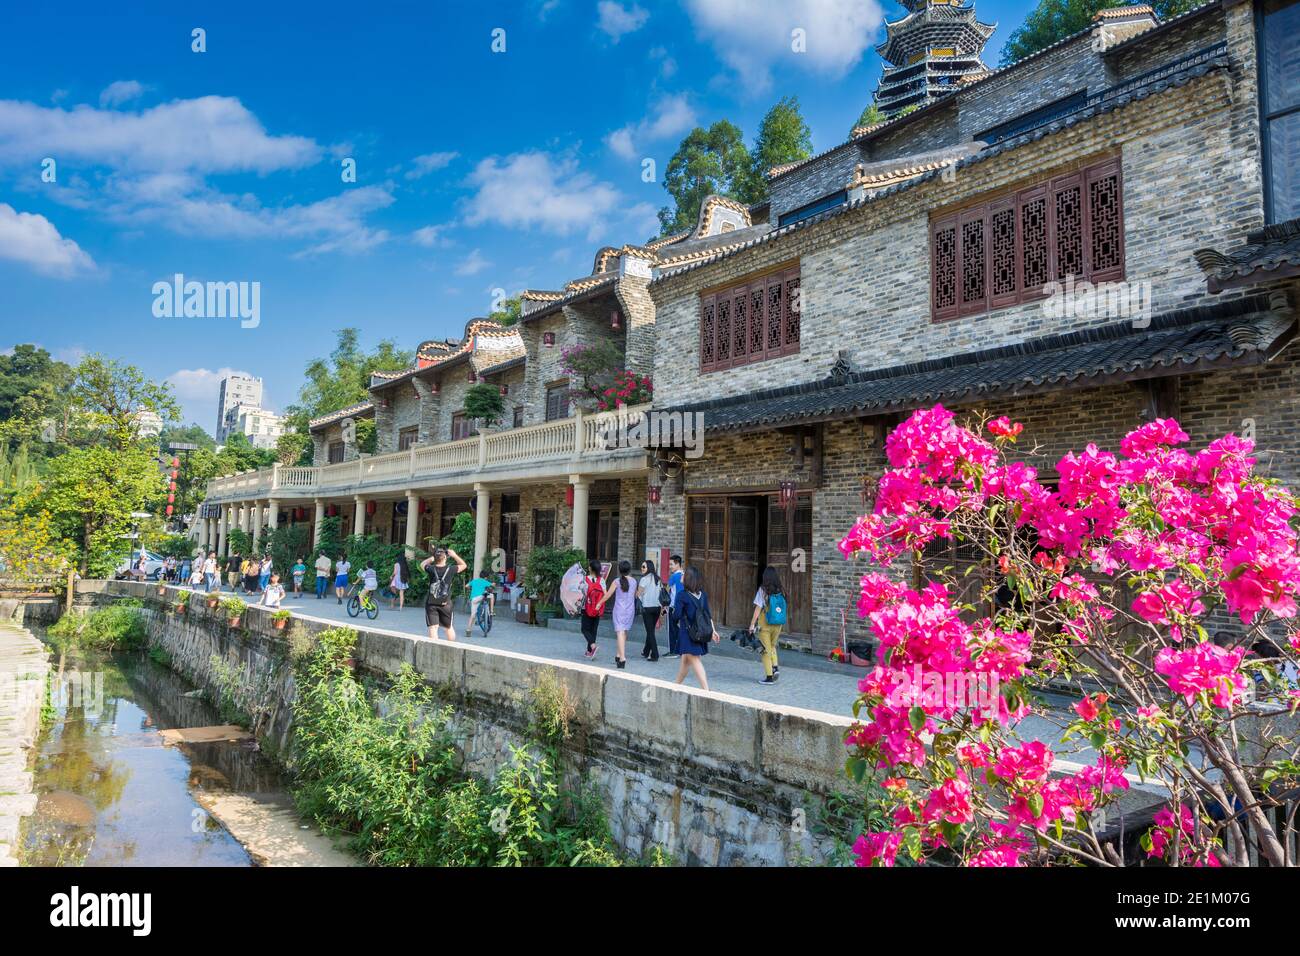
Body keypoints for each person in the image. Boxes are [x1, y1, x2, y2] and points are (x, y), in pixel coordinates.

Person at [674, 566, 721, 691]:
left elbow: (676, 615)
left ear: (688, 578)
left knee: (694, 659)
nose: (681, 576)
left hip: (688, 633)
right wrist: (713, 630)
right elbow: (707, 615)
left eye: (683, 574)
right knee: (686, 661)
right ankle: (675, 686)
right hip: (699, 632)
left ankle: (706, 690)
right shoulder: (703, 595)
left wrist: (671, 610)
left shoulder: (681, 595)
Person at [747, 566, 787, 685]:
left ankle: (769, 677)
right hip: (778, 624)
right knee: (772, 646)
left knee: (765, 650)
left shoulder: (763, 590)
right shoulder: (781, 590)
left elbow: (758, 609)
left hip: (765, 624)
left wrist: (752, 624)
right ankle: (775, 667)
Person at [420, 547, 467, 641]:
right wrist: (454, 555)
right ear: (445, 557)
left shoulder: (431, 568)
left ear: (435, 558)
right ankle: (451, 648)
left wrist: (431, 558)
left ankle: (434, 648)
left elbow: (422, 564)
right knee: (448, 627)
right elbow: (464, 565)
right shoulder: (451, 569)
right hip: (446, 603)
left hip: (431, 602)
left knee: (433, 628)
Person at [597, 560, 637, 669]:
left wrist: (599, 603)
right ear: (629, 570)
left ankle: (622, 658)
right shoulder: (634, 581)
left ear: (620, 570)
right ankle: (618, 654)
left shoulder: (616, 581)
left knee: (620, 632)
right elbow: (634, 595)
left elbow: (608, 595)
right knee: (624, 632)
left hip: (619, 609)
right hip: (630, 610)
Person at [579, 559, 605, 660]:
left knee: (585, 629)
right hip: (598, 609)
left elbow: (582, 594)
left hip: (587, 608)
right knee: (593, 630)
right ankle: (589, 651)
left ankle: (593, 646)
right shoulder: (601, 580)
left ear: (590, 568)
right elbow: (605, 594)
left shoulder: (585, 580)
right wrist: (599, 604)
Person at [636, 558, 662, 662]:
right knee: (650, 630)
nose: (642, 569)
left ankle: (655, 654)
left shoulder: (644, 579)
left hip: (647, 608)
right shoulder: (658, 579)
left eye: (644, 567)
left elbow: (639, 594)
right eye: (641, 567)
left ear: (649, 568)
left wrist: (636, 593)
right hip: (657, 607)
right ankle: (646, 651)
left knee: (650, 631)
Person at [465, 570, 495, 639]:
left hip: (473, 599)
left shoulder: (474, 580)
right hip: (480, 597)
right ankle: (491, 611)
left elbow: (466, 586)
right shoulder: (484, 581)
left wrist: (470, 588)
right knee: (491, 595)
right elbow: (492, 585)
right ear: (485, 577)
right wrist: (493, 583)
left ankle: (468, 630)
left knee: (472, 615)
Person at [665, 554, 684, 659]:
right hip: (684, 606)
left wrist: (664, 605)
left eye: (671, 564)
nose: (670, 566)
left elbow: (667, 590)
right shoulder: (686, 574)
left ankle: (674, 651)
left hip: (674, 606)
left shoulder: (674, 576)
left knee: (672, 629)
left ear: (677, 564)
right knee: (681, 628)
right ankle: (680, 649)